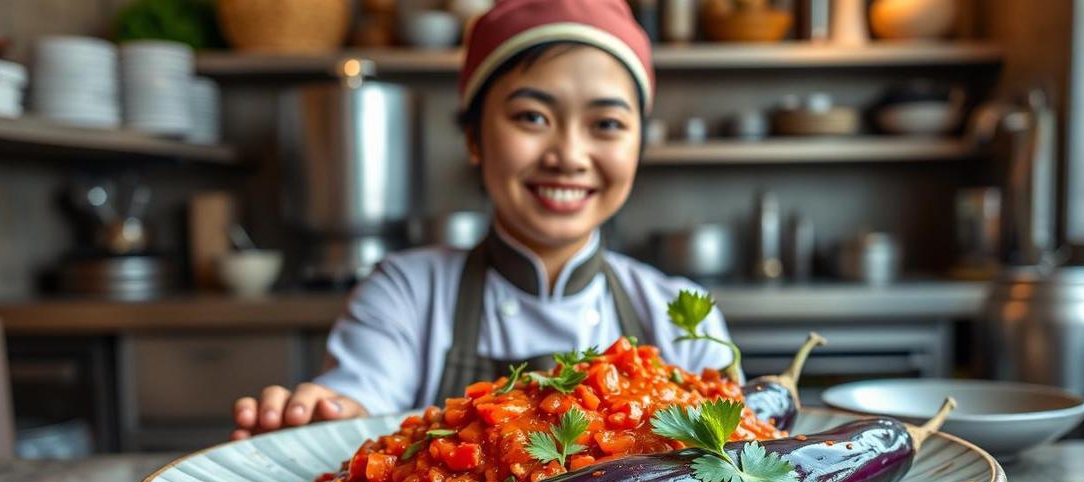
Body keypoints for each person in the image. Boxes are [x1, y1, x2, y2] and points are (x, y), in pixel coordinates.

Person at [231, 0, 734, 441]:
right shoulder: (405, 292)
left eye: (606, 124)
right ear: (474, 138)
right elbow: (357, 402)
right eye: (532, 117)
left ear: (638, 145)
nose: (569, 155)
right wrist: (319, 418)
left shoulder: (680, 315)